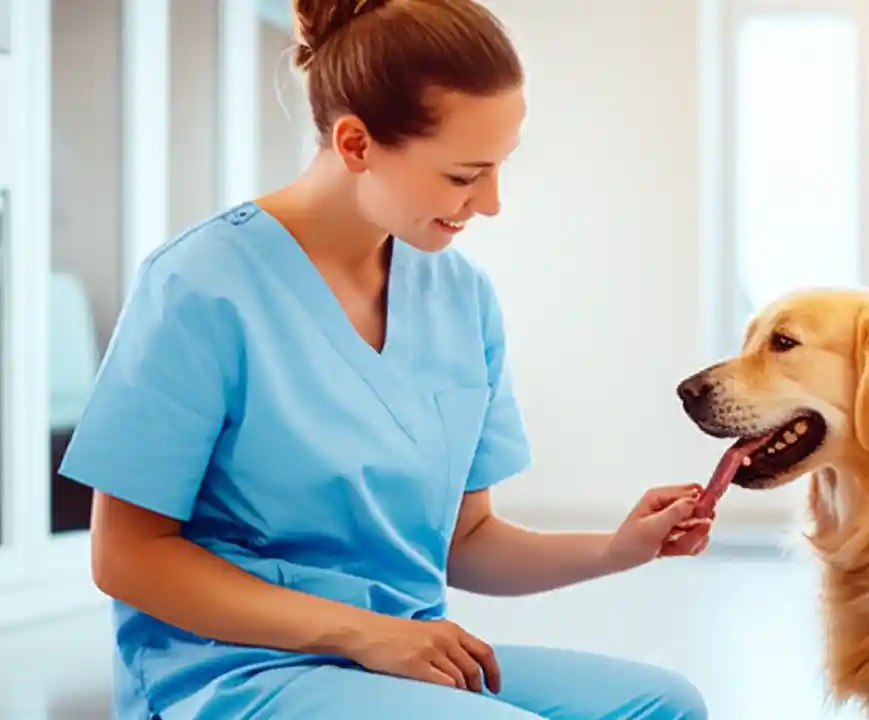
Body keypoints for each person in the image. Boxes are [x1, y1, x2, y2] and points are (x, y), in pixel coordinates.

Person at [58, 1, 713, 718]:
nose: (490, 203)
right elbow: (127, 556)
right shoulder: (201, 285)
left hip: (398, 659)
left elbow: (465, 540)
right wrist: (360, 632)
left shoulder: (461, 296)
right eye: (464, 175)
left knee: (664, 705)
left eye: (498, 168)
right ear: (356, 144)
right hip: (234, 671)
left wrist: (618, 548)